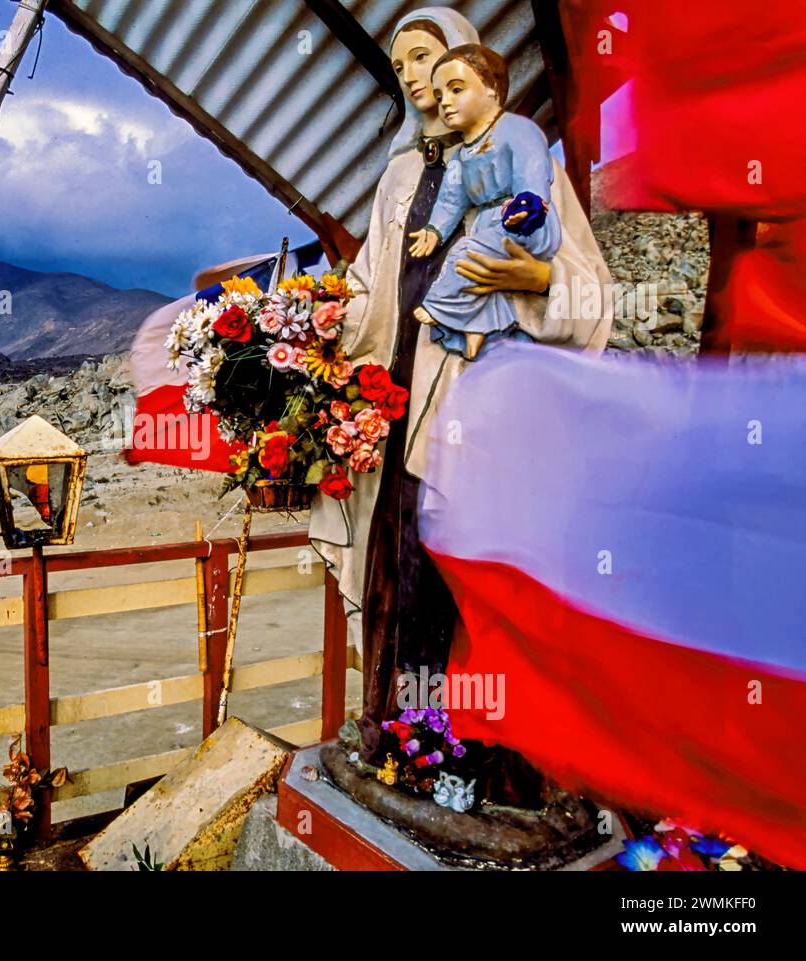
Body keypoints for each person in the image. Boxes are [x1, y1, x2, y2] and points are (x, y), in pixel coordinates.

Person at [307, 6, 612, 765]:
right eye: (401, 64)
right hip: (395, 408)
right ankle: (397, 744)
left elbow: (591, 295)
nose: (413, 78)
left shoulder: (518, 157)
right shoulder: (401, 175)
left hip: (476, 415)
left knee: (463, 581)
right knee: (396, 580)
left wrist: (536, 278)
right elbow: (368, 286)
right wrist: (299, 327)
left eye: (426, 58)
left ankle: (472, 759)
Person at [408, 45, 562, 361]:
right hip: (490, 224)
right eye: (439, 97)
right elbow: (451, 201)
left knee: (465, 255)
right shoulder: (461, 158)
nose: (446, 102)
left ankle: (438, 308)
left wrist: (526, 209)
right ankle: (480, 331)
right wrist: (434, 231)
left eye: (456, 89)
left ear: (492, 88)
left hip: (525, 219)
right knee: (480, 272)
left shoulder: (516, 129)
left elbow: (532, 171)